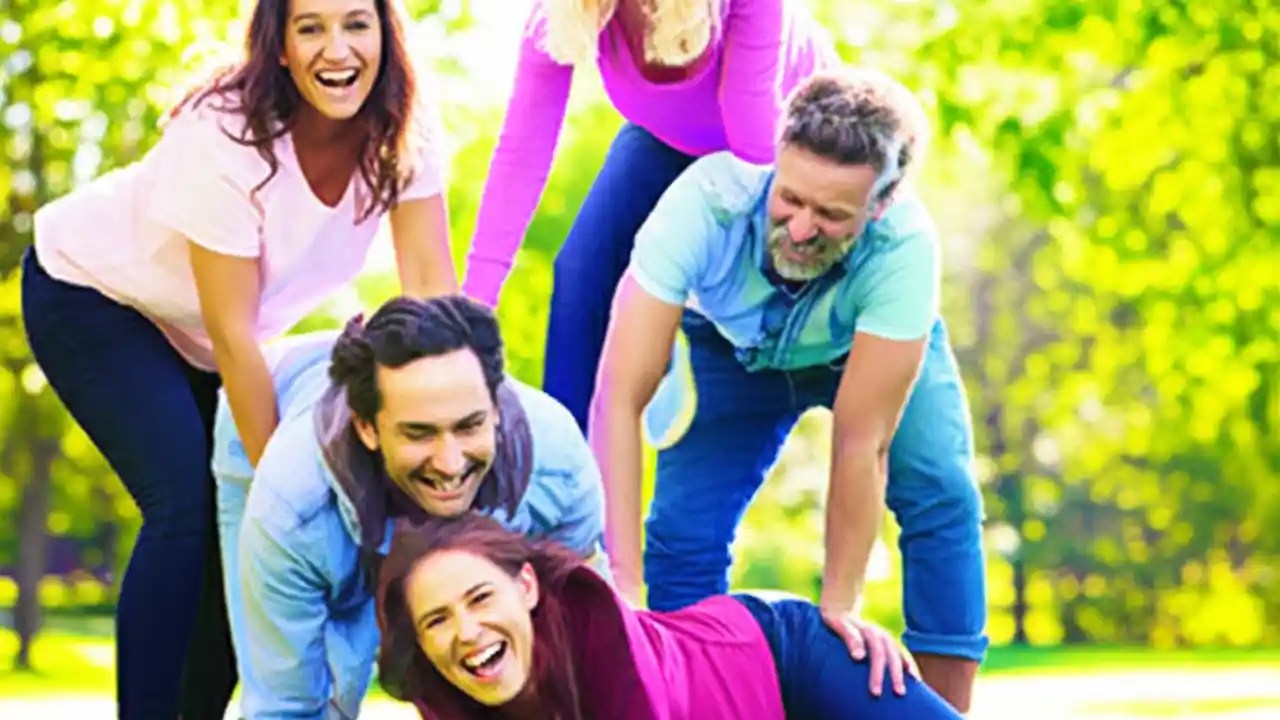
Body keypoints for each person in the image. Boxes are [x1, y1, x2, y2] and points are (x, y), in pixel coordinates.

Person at [19, 0, 454, 716]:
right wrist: (283, 494)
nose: (336, 48)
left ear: (385, 32)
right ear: (279, 46)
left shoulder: (403, 129)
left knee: (237, 534)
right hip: (94, 295)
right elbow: (234, 339)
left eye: (356, 22)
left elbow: (434, 299)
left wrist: (440, 471)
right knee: (191, 507)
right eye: (309, 27)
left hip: (207, 334)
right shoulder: (226, 131)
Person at [588, 67, 988, 711]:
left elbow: (863, 444)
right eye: (791, 200)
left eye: (831, 214)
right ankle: (687, 699)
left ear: (879, 205)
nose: (801, 229)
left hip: (862, 343)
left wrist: (841, 603)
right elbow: (619, 399)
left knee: (940, 490)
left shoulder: (904, 249)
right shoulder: (706, 199)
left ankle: (942, 709)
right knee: (681, 535)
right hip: (730, 346)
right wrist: (623, 589)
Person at [211, 295, 607, 719]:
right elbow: (286, 704)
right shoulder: (291, 506)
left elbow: (592, 635)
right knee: (337, 671)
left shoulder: (555, 461)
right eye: (419, 434)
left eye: (468, 426)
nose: (450, 463)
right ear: (367, 428)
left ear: (494, 408)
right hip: (273, 424)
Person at [460, 0, 838, 431]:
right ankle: (564, 468)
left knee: (726, 282)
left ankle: (664, 340)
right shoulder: (565, 10)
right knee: (582, 268)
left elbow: (751, 145)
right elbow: (523, 147)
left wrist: (663, 294)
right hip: (673, 136)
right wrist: (475, 304)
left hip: (784, 156)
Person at [374, 512, 965, 719]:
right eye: (437, 621)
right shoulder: (449, 697)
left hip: (784, 656)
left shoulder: (599, 639)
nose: (467, 633)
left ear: (525, 586)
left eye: (480, 599)